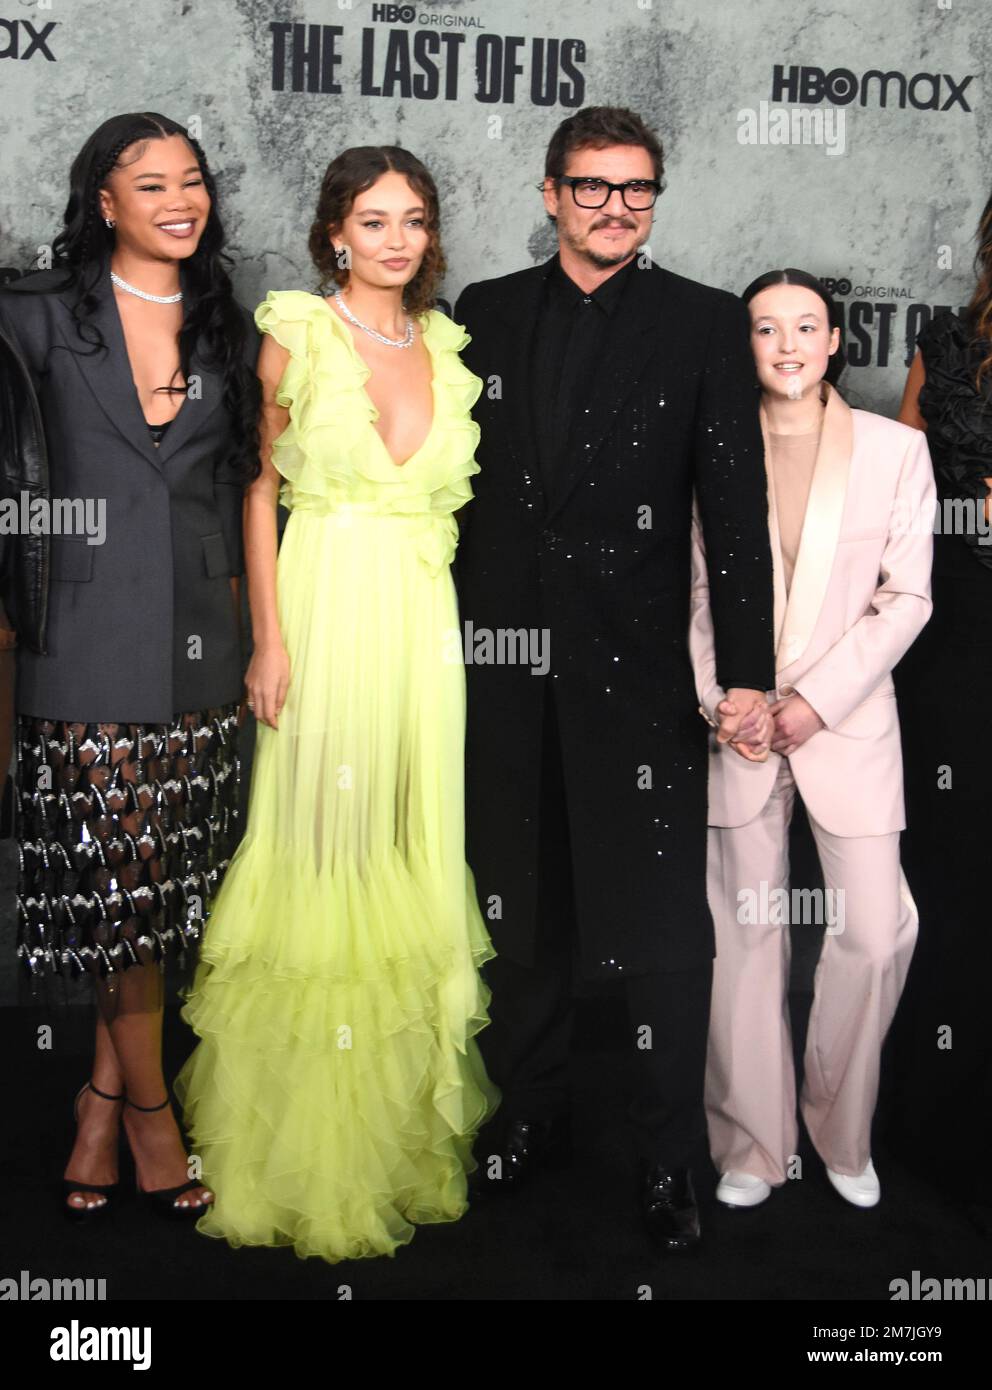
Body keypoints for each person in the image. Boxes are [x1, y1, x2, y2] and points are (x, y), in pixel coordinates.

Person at [453, 106, 775, 1253]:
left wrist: (746, 678)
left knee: (654, 938)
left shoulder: (699, 322)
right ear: (548, 194)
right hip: (498, 672)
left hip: (634, 678)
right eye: (591, 188)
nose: (614, 209)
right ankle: (521, 1121)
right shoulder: (482, 313)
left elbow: (732, 518)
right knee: (520, 917)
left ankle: (663, 1161)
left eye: (636, 190)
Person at [175, 146, 499, 1264]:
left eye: (413, 218)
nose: (395, 239)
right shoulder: (299, 334)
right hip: (321, 607)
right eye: (372, 220)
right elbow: (255, 489)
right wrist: (268, 639)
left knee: (406, 851)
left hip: (419, 624)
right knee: (317, 854)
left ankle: (394, 1141)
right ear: (334, 234)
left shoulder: (449, 351)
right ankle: (292, 1153)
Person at [0, 112, 258, 1218]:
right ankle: (153, 1112)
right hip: (82, 635)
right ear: (103, 202)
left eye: (190, 181)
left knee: (157, 890)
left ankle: (100, 1099)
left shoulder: (229, 326)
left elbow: (242, 485)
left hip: (206, 639)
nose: (178, 200)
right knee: (119, 883)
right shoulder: (37, 320)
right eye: (149, 184)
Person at [691, 269, 935, 1211]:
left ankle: (840, 1130)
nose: (787, 344)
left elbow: (907, 596)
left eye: (806, 327)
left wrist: (816, 702)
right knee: (745, 940)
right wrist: (728, 699)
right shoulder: (714, 449)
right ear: (744, 345)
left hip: (849, 727)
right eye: (764, 329)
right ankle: (753, 1147)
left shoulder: (892, 452)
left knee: (876, 934)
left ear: (836, 342)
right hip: (741, 732)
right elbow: (698, 592)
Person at [883, 194, 992, 1217]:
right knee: (951, 880)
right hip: (956, 635)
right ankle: (929, 1118)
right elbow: (897, 488)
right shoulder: (947, 347)